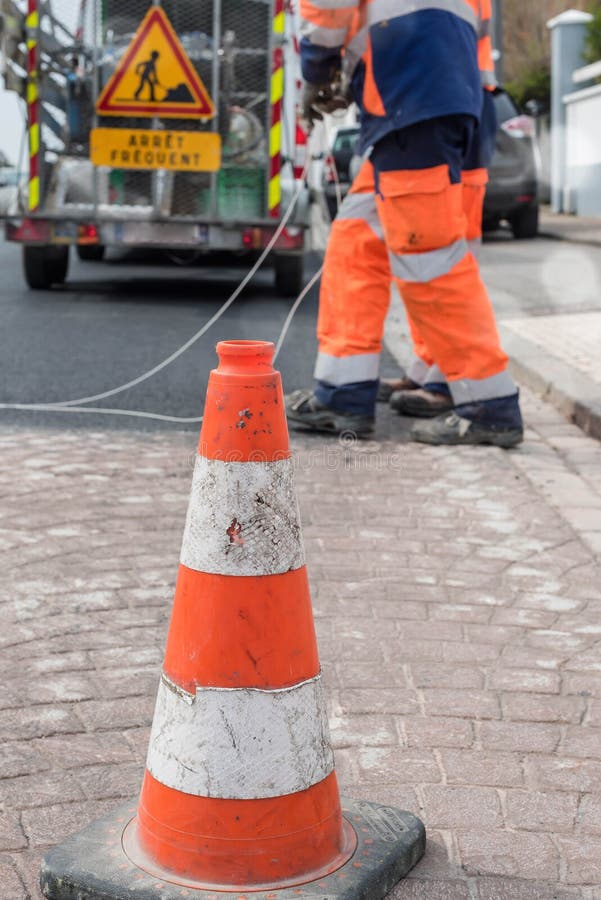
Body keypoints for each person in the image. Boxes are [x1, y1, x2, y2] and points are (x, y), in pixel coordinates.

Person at [286, 0, 523, 447]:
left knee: (429, 260)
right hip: (440, 98)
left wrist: (317, 76)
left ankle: (490, 404)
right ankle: (343, 394)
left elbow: (325, 9)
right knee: (356, 239)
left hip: (411, 98)